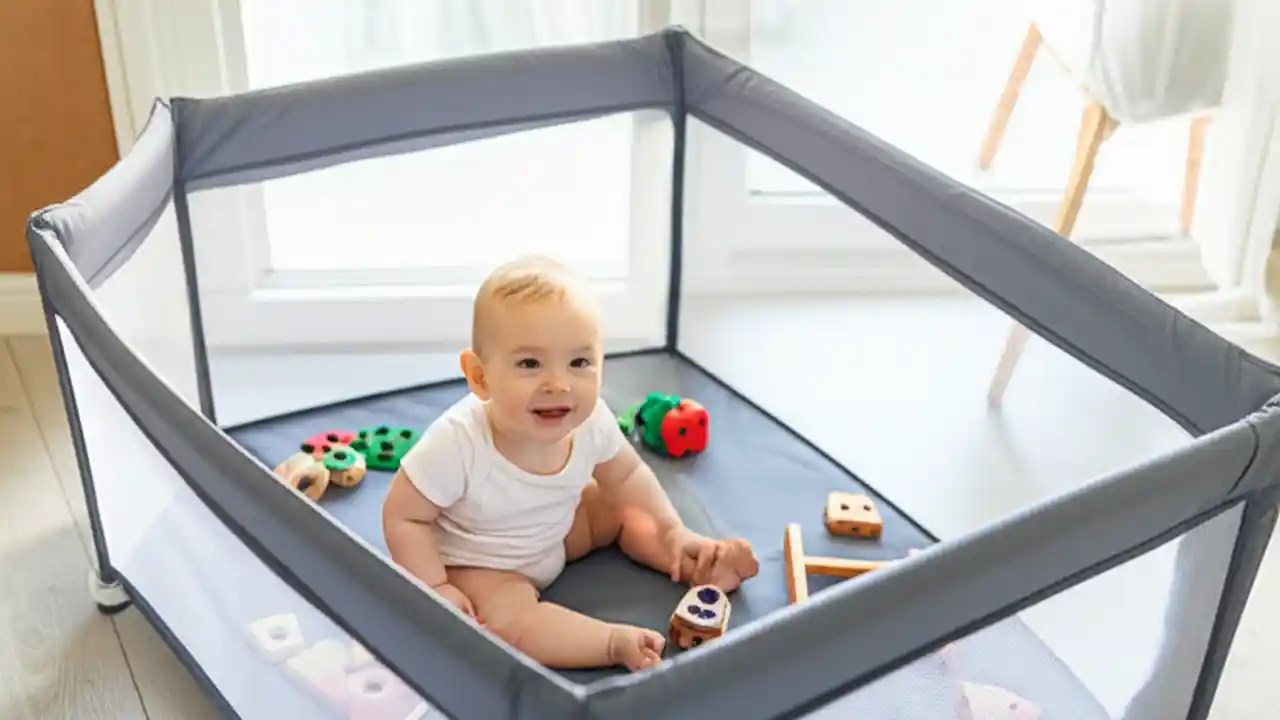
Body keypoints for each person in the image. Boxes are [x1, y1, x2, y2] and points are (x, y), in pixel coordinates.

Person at [381, 255, 758, 672]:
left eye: (579, 362)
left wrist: (671, 528)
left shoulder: (591, 420)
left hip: (557, 533)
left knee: (623, 509)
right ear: (480, 376)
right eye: (529, 364)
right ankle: (611, 642)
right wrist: (434, 585)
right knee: (509, 623)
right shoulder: (456, 442)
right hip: (483, 561)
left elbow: (628, 476)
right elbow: (404, 516)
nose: (558, 384)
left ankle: (695, 561)